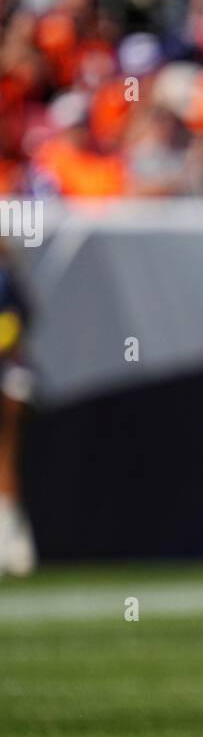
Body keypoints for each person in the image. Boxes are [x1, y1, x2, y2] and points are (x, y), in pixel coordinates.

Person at [0, 245, 36, 577]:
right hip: (12, 370)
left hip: (9, 370)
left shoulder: (7, 273)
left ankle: (14, 545)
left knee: (7, 459)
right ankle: (14, 545)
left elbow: (22, 319)